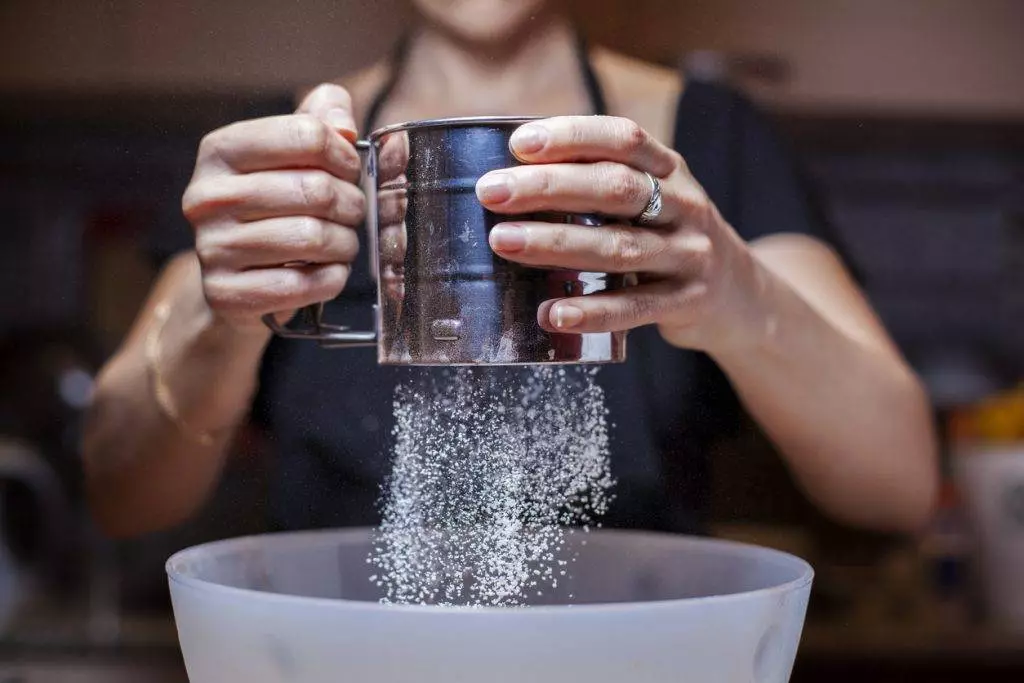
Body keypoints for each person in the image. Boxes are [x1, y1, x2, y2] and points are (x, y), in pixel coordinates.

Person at [83, 0, 938, 538]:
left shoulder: (707, 138)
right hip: (344, 649)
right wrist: (221, 307)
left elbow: (898, 485)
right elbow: (120, 494)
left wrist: (732, 290)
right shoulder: (284, 164)